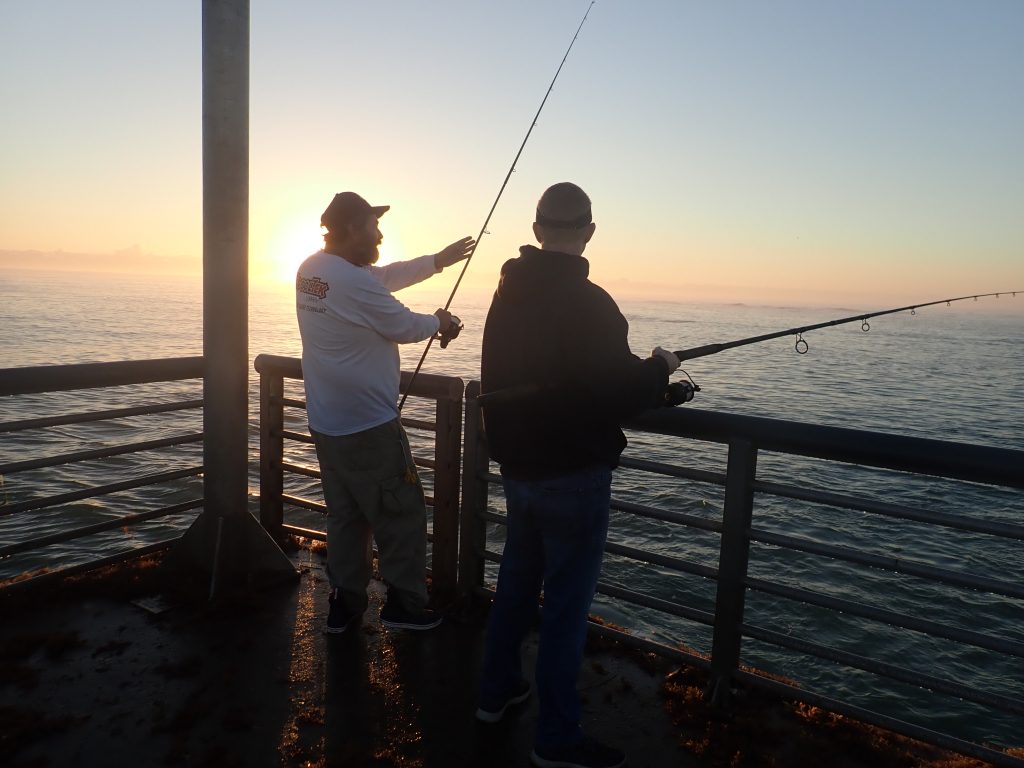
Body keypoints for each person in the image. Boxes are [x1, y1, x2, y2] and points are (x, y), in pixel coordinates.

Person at [475, 182, 680, 768]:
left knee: (516, 585)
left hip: (519, 469)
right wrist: (660, 368)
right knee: (565, 607)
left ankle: (494, 694)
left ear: (537, 230)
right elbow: (614, 393)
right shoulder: (592, 304)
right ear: (589, 231)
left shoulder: (505, 292)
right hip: (574, 475)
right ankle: (556, 739)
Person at [296, 191, 474, 634]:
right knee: (403, 513)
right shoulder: (351, 280)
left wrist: (437, 261)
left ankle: (347, 603)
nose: (380, 232)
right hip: (368, 426)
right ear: (353, 228)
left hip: (326, 422)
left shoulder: (313, 270)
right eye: (373, 225)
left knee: (347, 517)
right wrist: (440, 322)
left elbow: (381, 278)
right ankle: (405, 606)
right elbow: (402, 324)